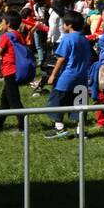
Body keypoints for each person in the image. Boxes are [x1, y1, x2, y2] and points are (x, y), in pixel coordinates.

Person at [43, 11, 94, 139]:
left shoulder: (67, 39)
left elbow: (61, 58)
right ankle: (80, 130)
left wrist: (52, 75)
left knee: (56, 101)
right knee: (80, 104)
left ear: (69, 25)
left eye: (63, 24)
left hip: (66, 77)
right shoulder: (84, 39)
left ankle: (59, 127)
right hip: (82, 77)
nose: (62, 26)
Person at [0, 11, 26, 133]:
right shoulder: (18, 35)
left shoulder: (6, 36)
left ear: (7, 24)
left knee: (14, 101)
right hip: (17, 70)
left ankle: (23, 127)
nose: (1, 24)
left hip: (9, 71)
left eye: (2, 22)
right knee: (5, 101)